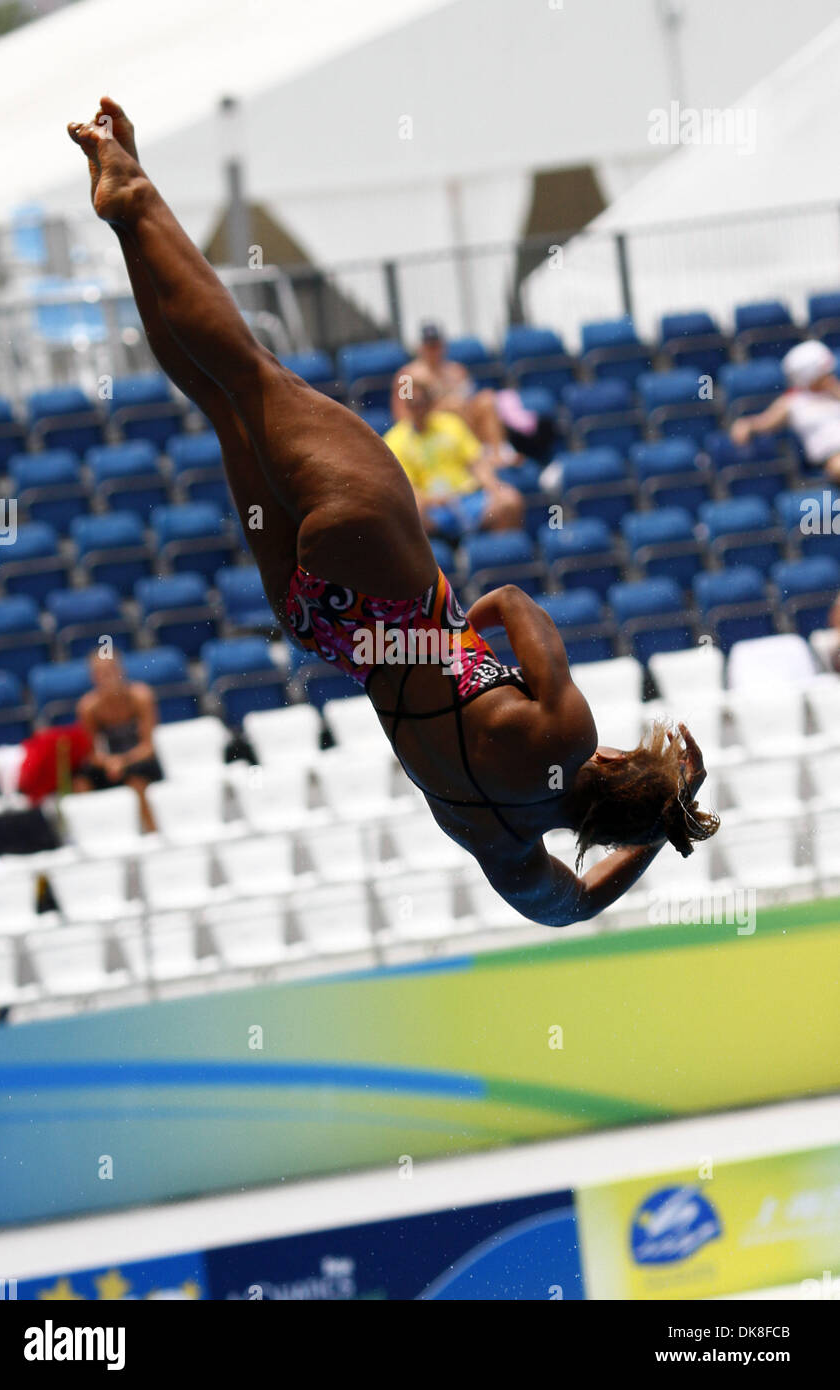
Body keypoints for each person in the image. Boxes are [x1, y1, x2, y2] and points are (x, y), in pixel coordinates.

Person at [67, 99, 718, 927]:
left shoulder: (568, 734)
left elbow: (515, 604)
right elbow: (576, 906)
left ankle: (134, 197)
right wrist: (659, 832)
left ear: (616, 764)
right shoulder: (505, 848)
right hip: (322, 621)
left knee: (258, 377)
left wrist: (460, 626)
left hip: (391, 575)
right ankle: (127, 222)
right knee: (220, 400)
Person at [383, 367, 524, 539]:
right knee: (411, 515)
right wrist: (431, 500)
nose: (417, 408)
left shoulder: (451, 424)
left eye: (422, 402)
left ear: (430, 402)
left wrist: (493, 487)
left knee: (509, 500)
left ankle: (495, 554)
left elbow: (476, 462)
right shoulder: (395, 439)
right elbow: (406, 487)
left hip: (467, 497)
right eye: (412, 403)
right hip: (433, 507)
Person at [391, 322, 515, 465]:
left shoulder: (456, 370)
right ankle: (474, 457)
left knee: (486, 398)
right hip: (428, 423)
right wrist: (441, 406)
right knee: (454, 405)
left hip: (463, 419)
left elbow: (469, 399)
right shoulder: (407, 376)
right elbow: (403, 415)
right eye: (429, 346)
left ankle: (497, 453)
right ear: (421, 348)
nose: (434, 350)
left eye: (437, 345)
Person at [73, 649, 161, 833]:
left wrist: (123, 761)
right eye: (101, 673)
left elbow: (148, 747)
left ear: (121, 671)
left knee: (136, 781)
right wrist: (108, 763)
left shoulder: (141, 696)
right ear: (93, 677)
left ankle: (152, 834)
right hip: (111, 764)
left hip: (139, 760)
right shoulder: (89, 707)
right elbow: (91, 753)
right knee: (81, 783)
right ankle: (96, 834)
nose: (107, 678)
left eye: (111, 671)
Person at [731, 339, 840, 483]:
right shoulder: (792, 401)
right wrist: (747, 425)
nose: (829, 374)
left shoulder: (835, 391)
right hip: (832, 457)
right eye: (823, 372)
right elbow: (764, 422)